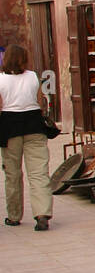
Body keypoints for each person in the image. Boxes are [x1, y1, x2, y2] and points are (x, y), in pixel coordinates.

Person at [0, 44, 53, 230]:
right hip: (34, 124)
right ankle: (42, 214)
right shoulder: (33, 77)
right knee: (38, 172)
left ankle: (14, 215)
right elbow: (40, 103)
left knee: (12, 174)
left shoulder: (1, 80)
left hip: (9, 126)